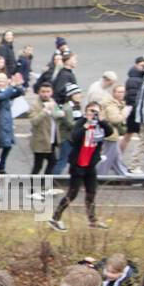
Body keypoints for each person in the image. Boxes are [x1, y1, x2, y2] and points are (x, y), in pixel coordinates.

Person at [46, 99, 112, 231]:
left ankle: (92, 220)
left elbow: (109, 132)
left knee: (91, 192)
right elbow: (74, 138)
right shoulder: (81, 123)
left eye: (96, 111)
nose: (93, 114)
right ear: (85, 112)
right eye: (91, 111)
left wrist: (102, 120)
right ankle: (55, 217)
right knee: (72, 193)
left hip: (90, 164)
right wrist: (86, 125)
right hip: (78, 164)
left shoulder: (100, 125)